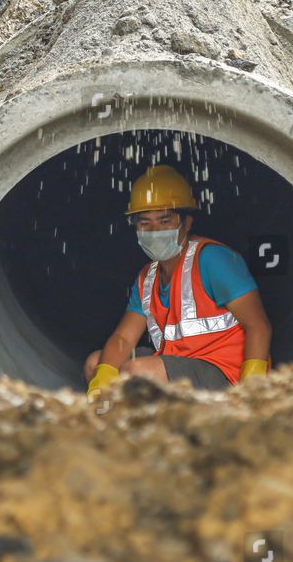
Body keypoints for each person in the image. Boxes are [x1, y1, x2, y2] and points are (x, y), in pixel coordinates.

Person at [84, 164, 271, 402]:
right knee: (96, 364)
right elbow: (123, 339)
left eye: (164, 221)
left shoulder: (213, 260)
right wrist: (101, 380)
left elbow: (259, 326)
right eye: (145, 223)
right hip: (179, 366)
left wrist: (251, 393)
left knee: (136, 373)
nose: (155, 231)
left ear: (186, 222)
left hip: (226, 375)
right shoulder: (147, 277)